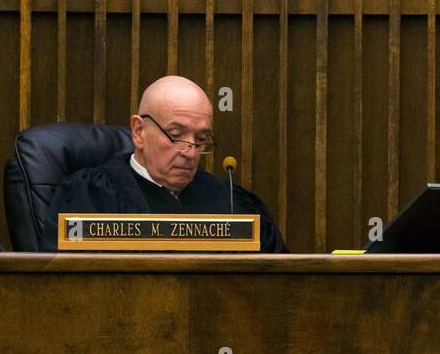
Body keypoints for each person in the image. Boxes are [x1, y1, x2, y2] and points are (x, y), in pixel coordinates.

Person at [42, 75, 288, 252]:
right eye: (176, 134)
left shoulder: (232, 203)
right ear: (138, 131)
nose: (189, 151)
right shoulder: (90, 195)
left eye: (201, 139)